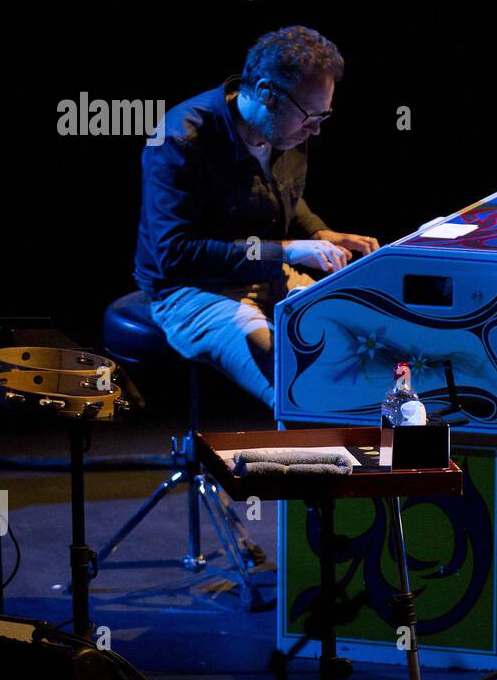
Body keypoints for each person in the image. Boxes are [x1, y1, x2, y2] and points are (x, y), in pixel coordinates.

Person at [133, 26, 379, 409]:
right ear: (266, 93)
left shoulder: (286, 131)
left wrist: (319, 232)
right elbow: (177, 255)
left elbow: (281, 197)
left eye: (323, 116)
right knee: (298, 380)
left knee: (360, 344)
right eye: (309, 116)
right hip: (192, 292)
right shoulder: (180, 141)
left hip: (268, 275)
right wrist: (286, 251)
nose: (314, 128)